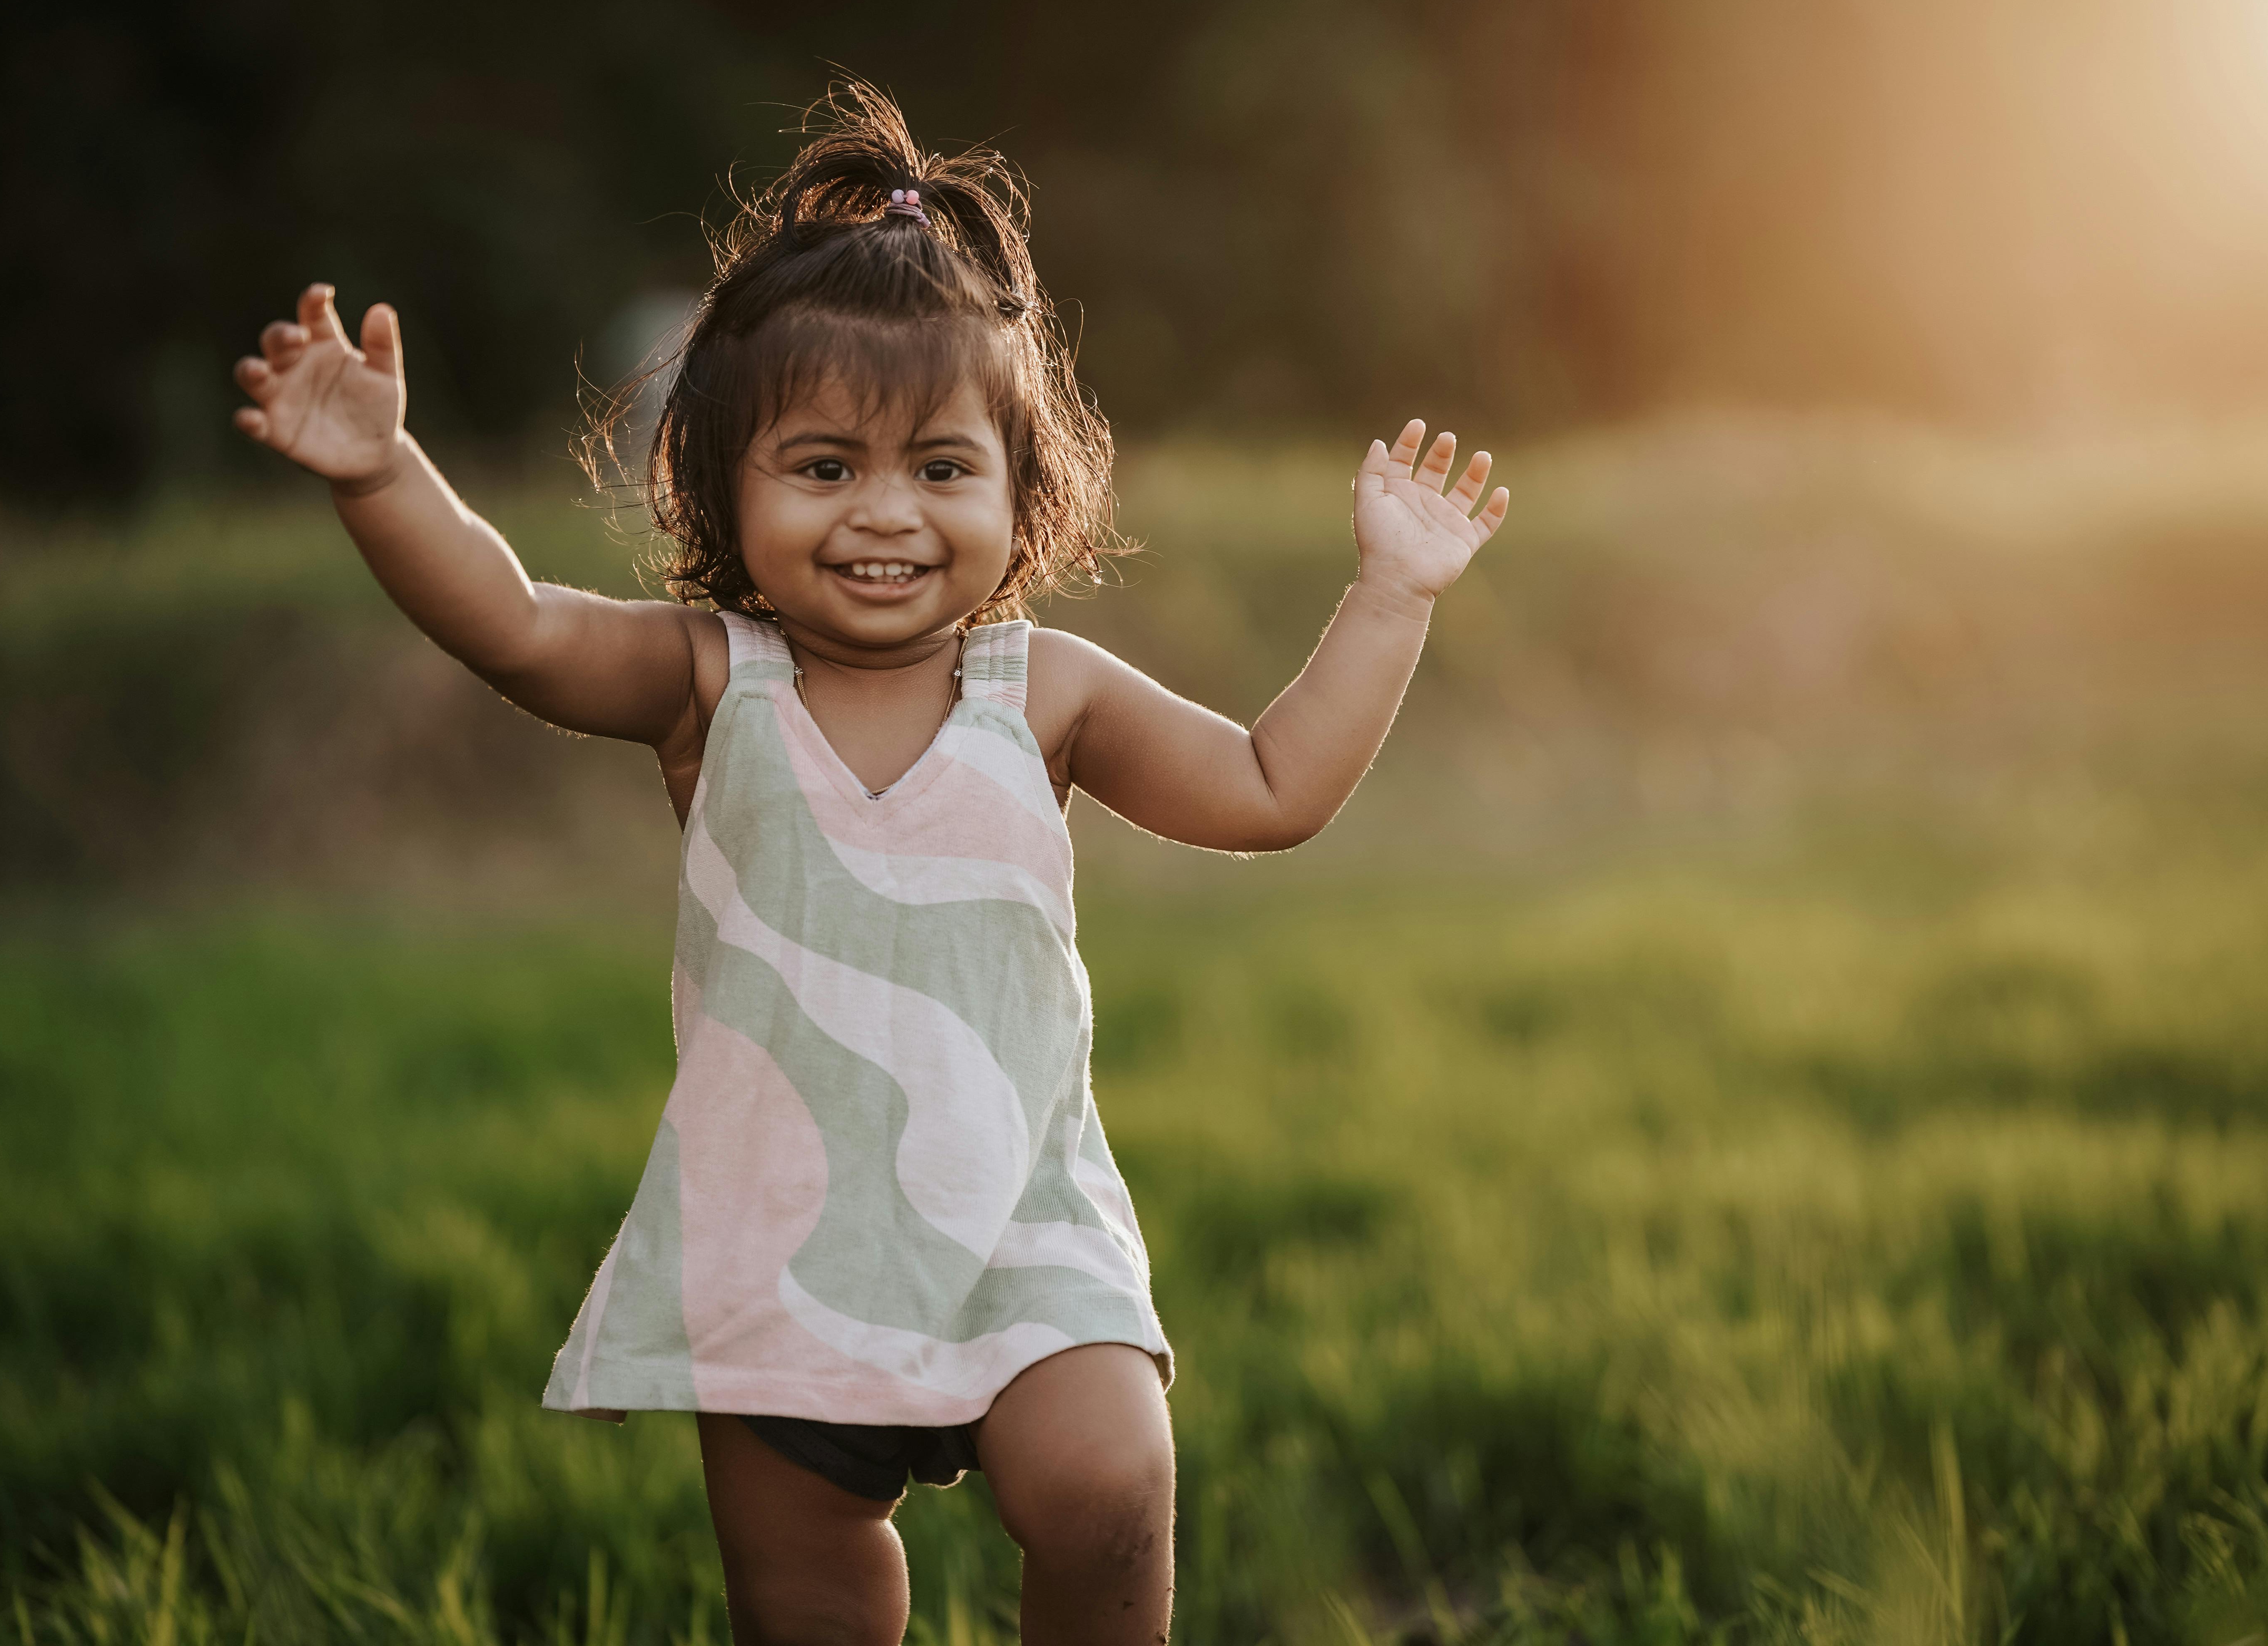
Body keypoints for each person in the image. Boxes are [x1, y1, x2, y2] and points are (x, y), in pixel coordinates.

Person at [230, 81, 1508, 1646]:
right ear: (723, 487)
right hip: (783, 1238)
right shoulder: (711, 677)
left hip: (1024, 1225)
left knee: (1109, 1485)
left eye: (942, 470)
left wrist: (1393, 593)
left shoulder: (1047, 690)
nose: (884, 515)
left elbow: (1271, 784)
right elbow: (517, 628)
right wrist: (381, 478)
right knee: (815, 1600)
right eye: (822, 468)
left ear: (1021, 489)